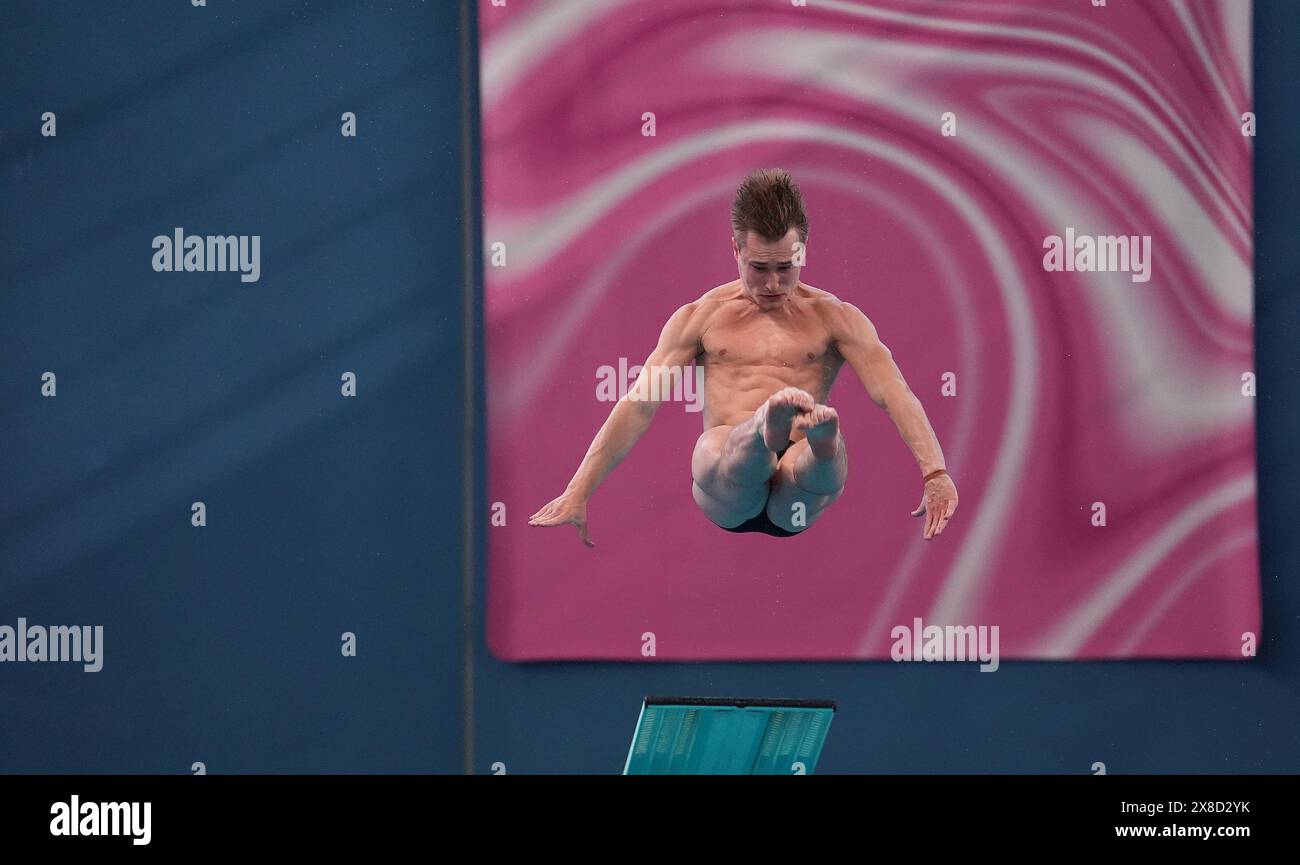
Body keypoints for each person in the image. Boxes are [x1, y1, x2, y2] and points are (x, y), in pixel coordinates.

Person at [529, 168, 958, 545]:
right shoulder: (700, 318)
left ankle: (816, 444)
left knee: (820, 460)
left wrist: (935, 474)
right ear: (736, 251)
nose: (772, 283)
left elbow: (894, 394)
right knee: (719, 447)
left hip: (798, 488)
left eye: (785, 268)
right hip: (728, 491)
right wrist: (579, 490)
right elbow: (640, 404)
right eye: (759, 267)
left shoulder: (837, 319)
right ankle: (760, 432)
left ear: (802, 252)